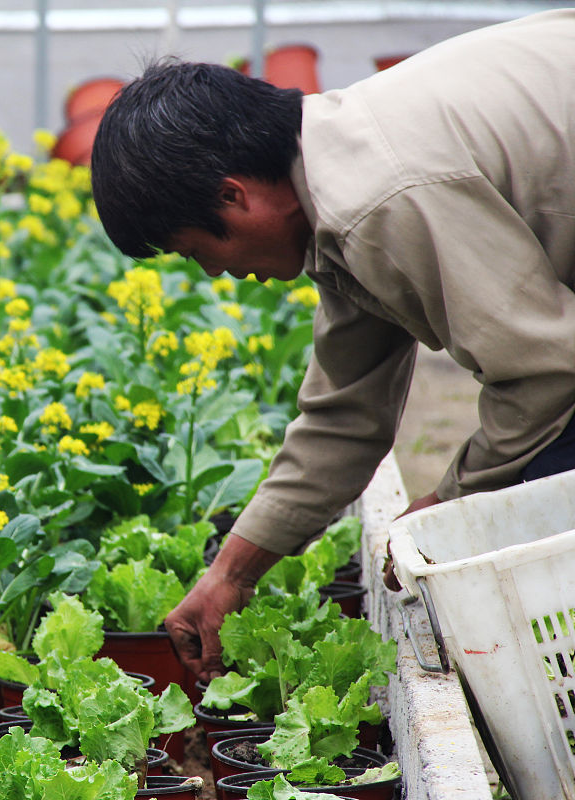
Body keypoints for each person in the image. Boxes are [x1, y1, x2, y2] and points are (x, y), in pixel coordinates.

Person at [89, 10, 575, 683]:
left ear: (234, 196)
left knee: (540, 490)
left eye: (199, 252)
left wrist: (453, 500)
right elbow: (345, 415)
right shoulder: (334, 178)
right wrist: (231, 574)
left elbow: (547, 373)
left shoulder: (378, 200)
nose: (218, 273)